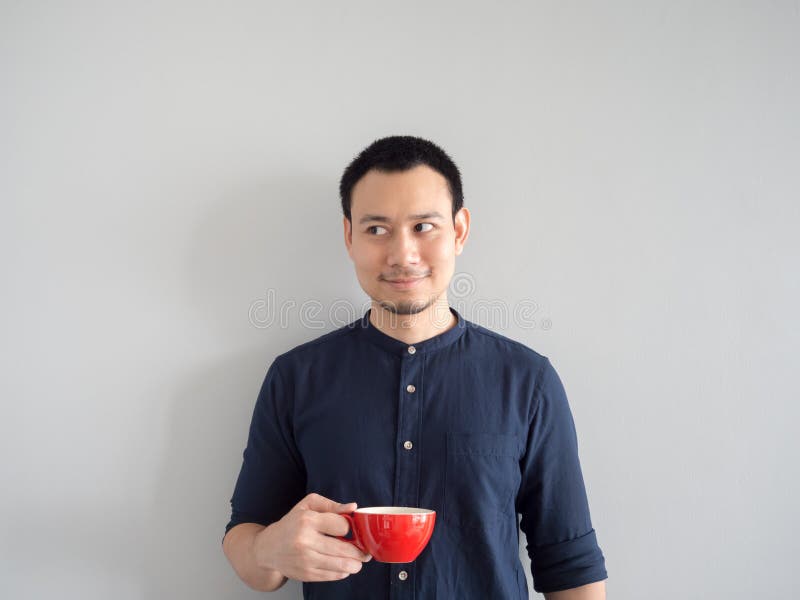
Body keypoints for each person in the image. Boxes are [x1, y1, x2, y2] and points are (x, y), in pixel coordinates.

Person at [222, 135, 608, 599]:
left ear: (459, 230)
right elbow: (246, 540)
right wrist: (269, 550)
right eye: (377, 229)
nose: (402, 255)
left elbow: (569, 563)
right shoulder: (295, 378)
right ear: (349, 236)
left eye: (423, 226)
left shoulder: (528, 382)